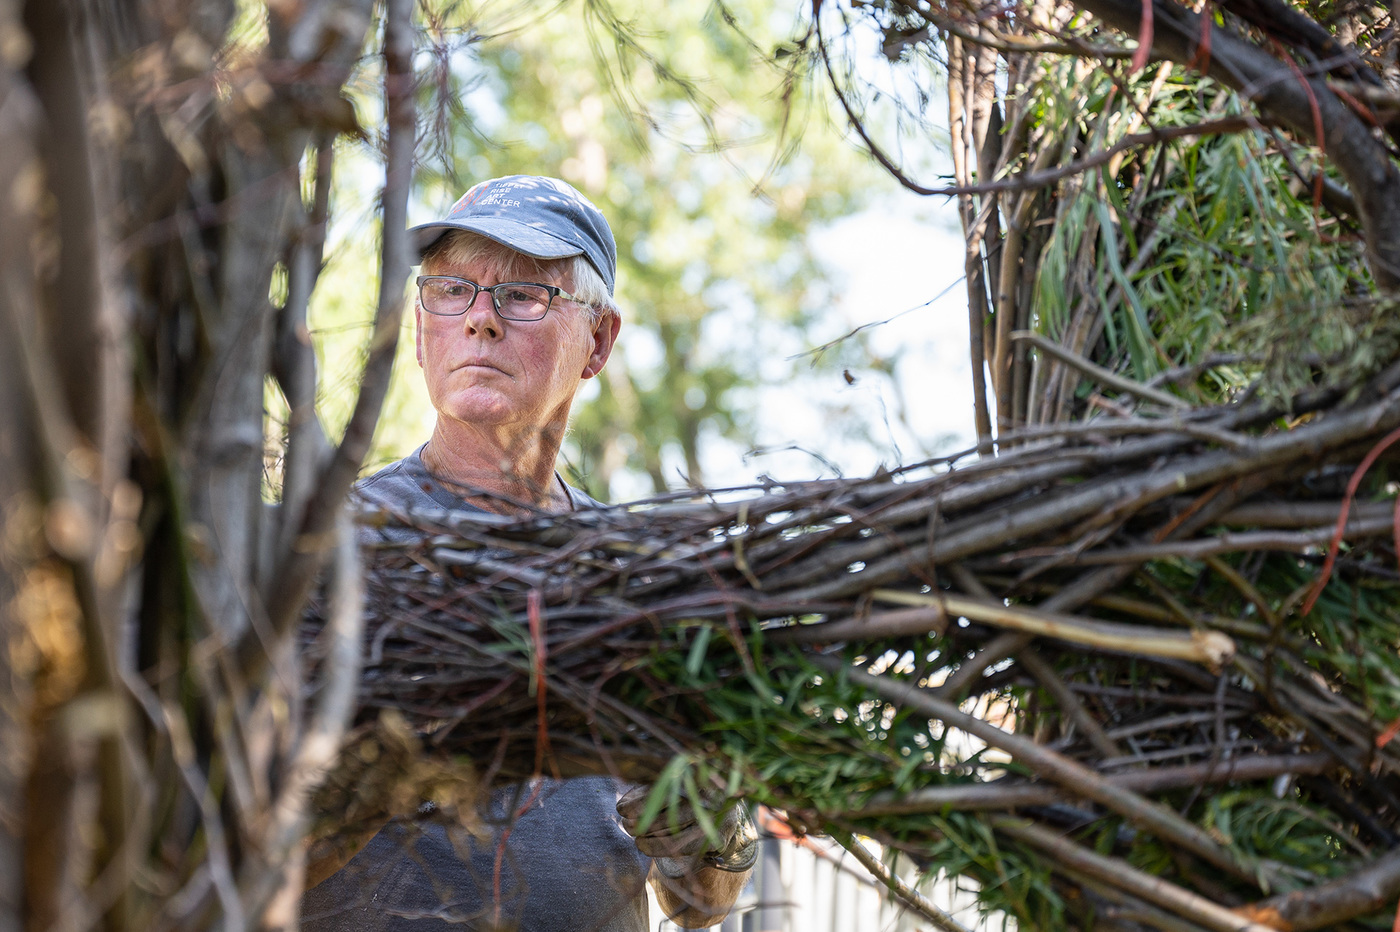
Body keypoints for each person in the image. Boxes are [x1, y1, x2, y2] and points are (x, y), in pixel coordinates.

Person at [301, 175, 756, 931]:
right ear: (420, 330)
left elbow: (704, 902)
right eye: (452, 290)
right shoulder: (323, 551)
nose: (480, 319)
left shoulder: (645, 581)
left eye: (523, 295)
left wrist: (695, 796)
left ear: (598, 342)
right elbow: (222, 858)